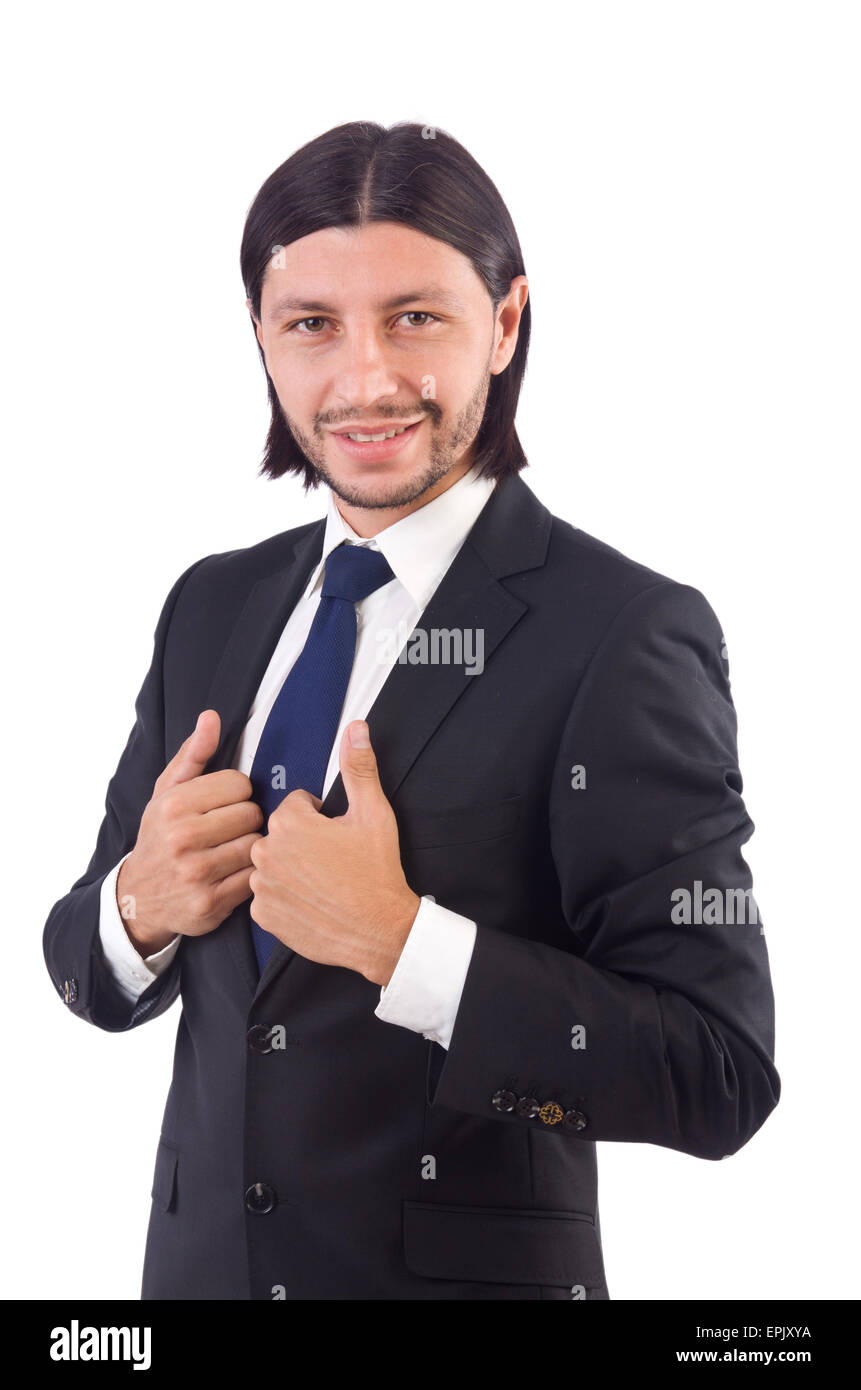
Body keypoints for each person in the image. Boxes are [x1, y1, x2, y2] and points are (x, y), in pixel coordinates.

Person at [43, 120, 780, 1301]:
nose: (365, 379)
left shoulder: (622, 633)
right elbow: (81, 960)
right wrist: (138, 906)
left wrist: (402, 942)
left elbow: (718, 1073)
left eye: (416, 317)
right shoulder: (211, 607)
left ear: (507, 322)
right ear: (263, 340)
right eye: (313, 326)